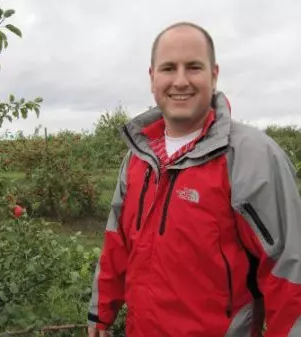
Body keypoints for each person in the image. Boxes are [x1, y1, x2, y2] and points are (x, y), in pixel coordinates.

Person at [87, 21, 301, 337]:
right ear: (152, 78)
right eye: (169, 68)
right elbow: (116, 241)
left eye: (194, 67)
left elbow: (288, 269)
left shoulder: (251, 156)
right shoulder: (138, 157)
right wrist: (100, 313)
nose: (181, 80)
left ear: (214, 75)